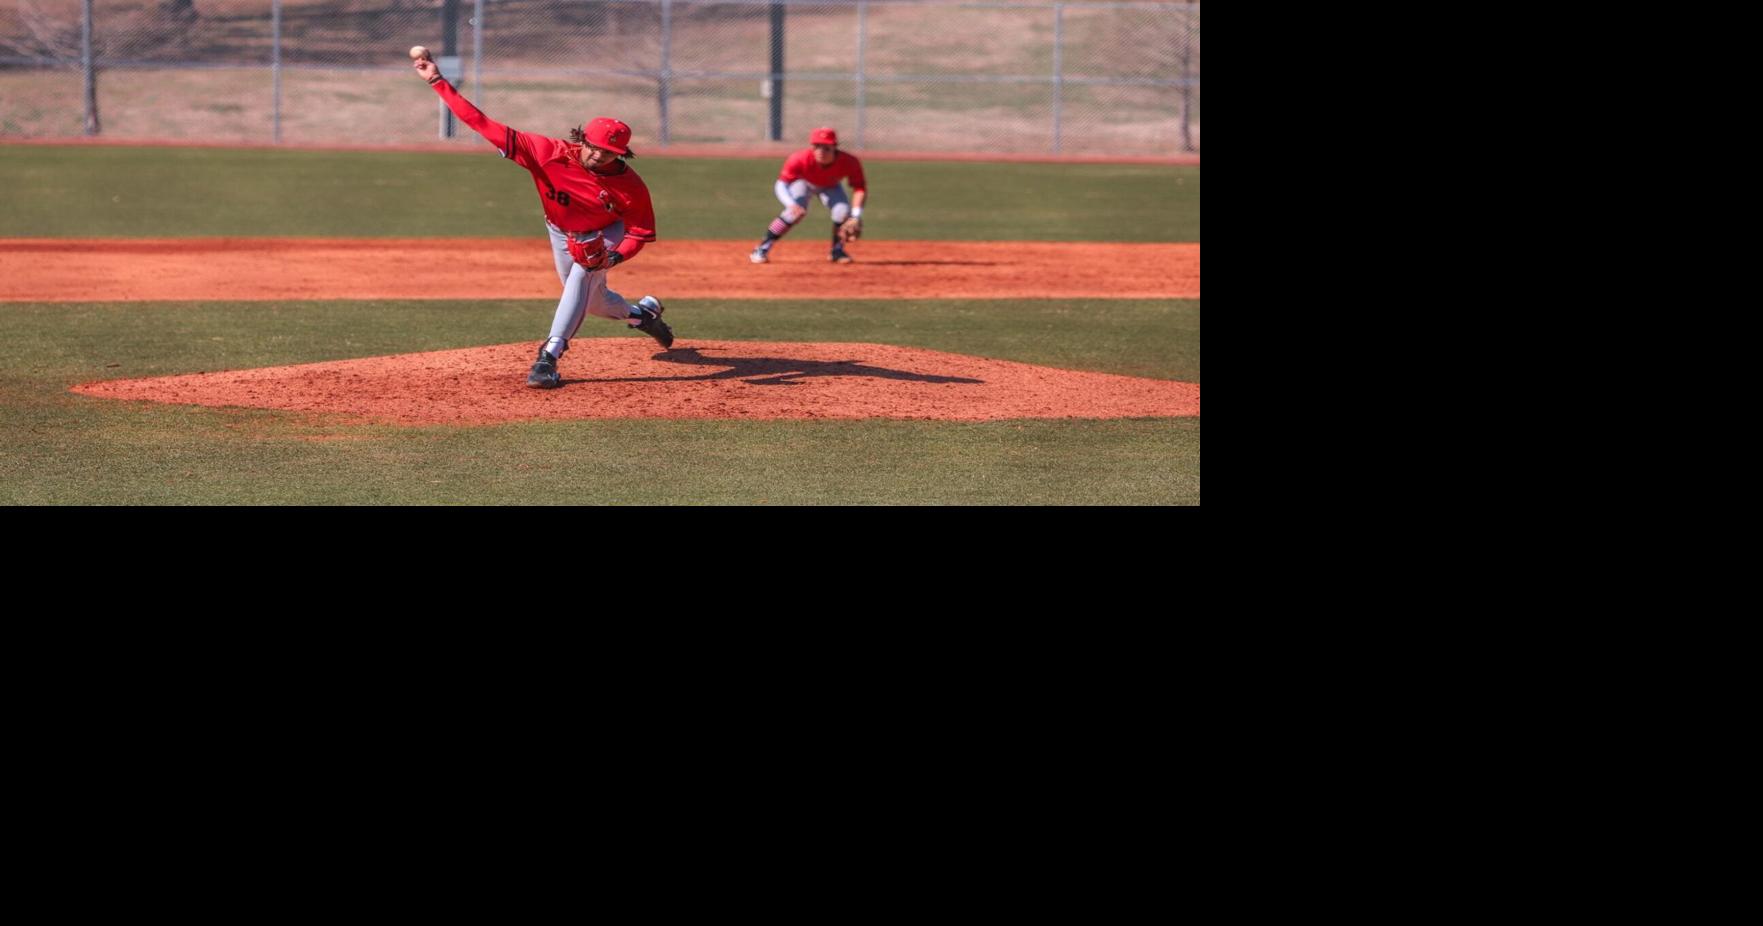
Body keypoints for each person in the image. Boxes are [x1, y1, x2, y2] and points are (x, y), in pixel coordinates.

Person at [412, 52, 673, 390]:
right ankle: (643, 316)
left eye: (608, 152)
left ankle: (548, 357)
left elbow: (638, 233)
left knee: (584, 273)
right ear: (581, 139)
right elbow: (480, 123)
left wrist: (613, 257)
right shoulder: (546, 152)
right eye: (593, 147)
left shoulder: (631, 186)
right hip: (560, 230)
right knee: (593, 302)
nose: (598, 155)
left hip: (606, 231)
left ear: (620, 153)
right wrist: (437, 81)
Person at [749, 127, 867, 265]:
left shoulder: (849, 161)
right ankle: (762, 248)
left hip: (831, 185)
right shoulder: (799, 158)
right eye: (817, 146)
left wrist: (856, 215)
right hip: (803, 182)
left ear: (835, 147)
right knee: (791, 214)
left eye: (826, 148)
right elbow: (781, 184)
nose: (821, 151)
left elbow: (860, 188)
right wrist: (791, 204)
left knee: (842, 212)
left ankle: (837, 251)